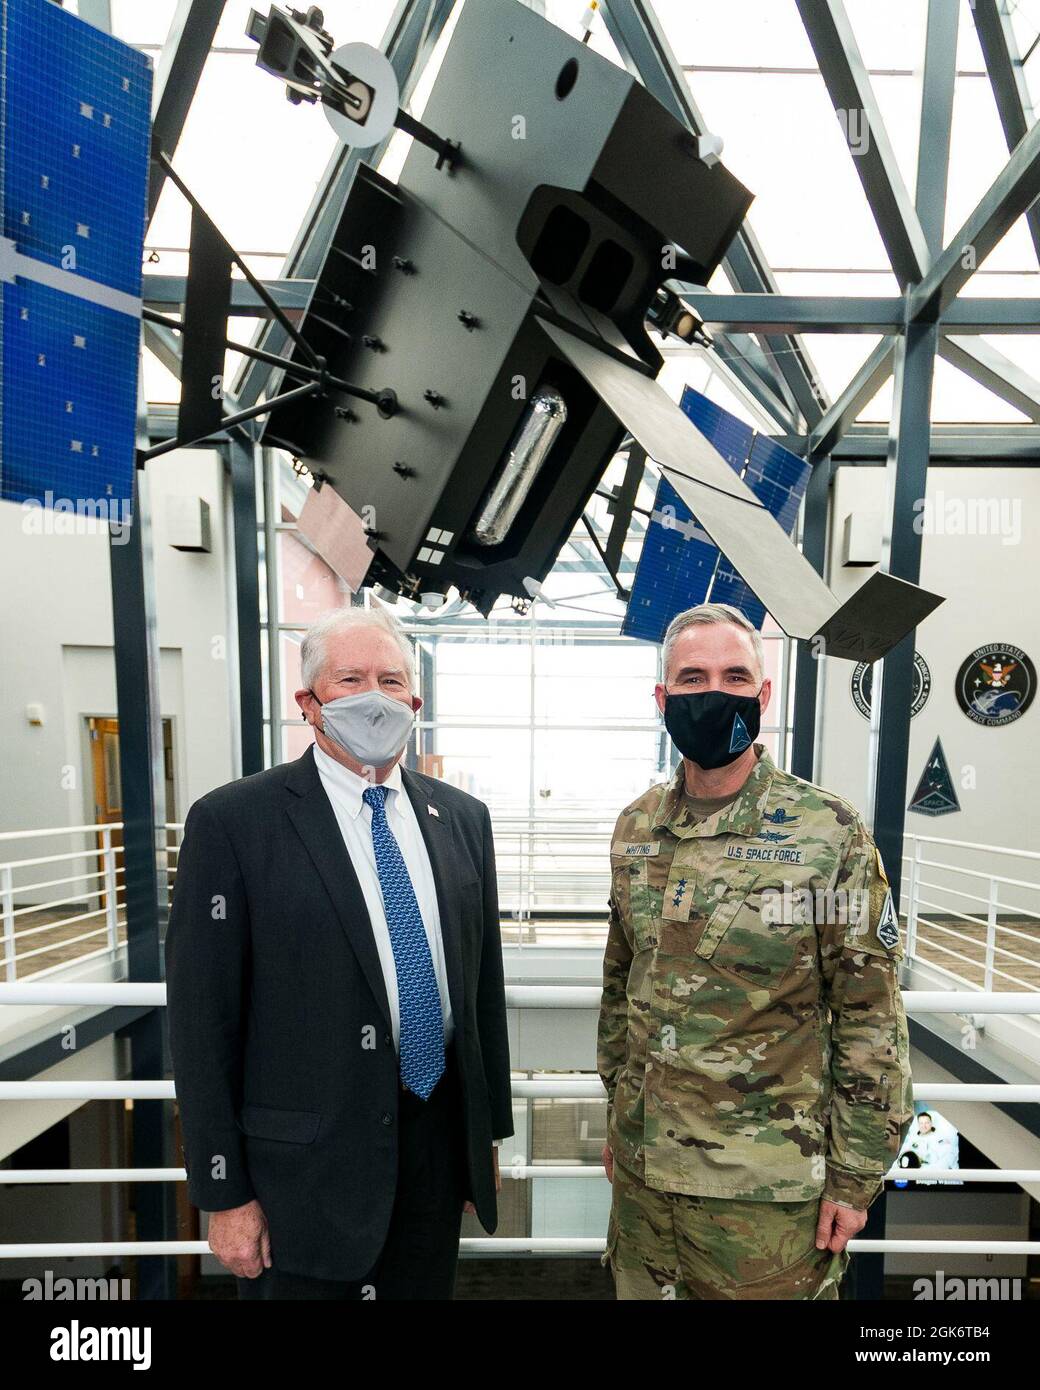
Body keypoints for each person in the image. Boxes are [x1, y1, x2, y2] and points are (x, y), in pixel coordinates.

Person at [165, 604, 513, 1299]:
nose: (374, 698)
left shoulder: (462, 819)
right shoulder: (233, 823)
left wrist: (486, 1141)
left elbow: (480, 993)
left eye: (391, 680)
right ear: (309, 703)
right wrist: (224, 1194)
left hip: (433, 1155)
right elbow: (202, 1024)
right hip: (301, 1181)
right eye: (350, 680)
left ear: (415, 701)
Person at [597, 602, 914, 1300]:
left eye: (735, 675)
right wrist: (622, 1116)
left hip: (766, 1199)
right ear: (662, 699)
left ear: (763, 694)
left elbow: (870, 1017)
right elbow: (623, 983)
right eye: (693, 677)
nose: (714, 692)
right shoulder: (637, 827)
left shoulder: (826, 832)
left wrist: (857, 1175)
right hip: (647, 1191)